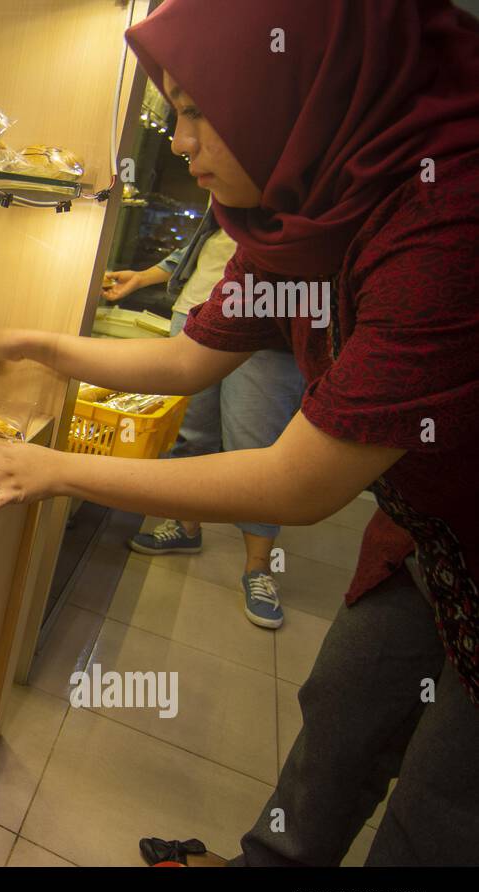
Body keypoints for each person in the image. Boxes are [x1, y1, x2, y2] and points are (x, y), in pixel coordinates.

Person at [0, 0, 479, 864]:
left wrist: (56, 469)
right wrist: (37, 344)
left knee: (442, 812)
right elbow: (190, 359)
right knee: (343, 708)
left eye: (195, 110)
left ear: (290, 83)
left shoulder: (446, 219)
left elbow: (296, 484)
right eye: (171, 112)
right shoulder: (302, 202)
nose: (180, 142)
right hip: (427, 535)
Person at [104, 208, 305, 629]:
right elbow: (202, 243)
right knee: (190, 434)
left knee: (258, 451)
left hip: (267, 328)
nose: (183, 145)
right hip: (195, 314)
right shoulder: (227, 195)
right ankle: (184, 526)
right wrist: (143, 277)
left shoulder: (297, 189)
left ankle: (259, 569)